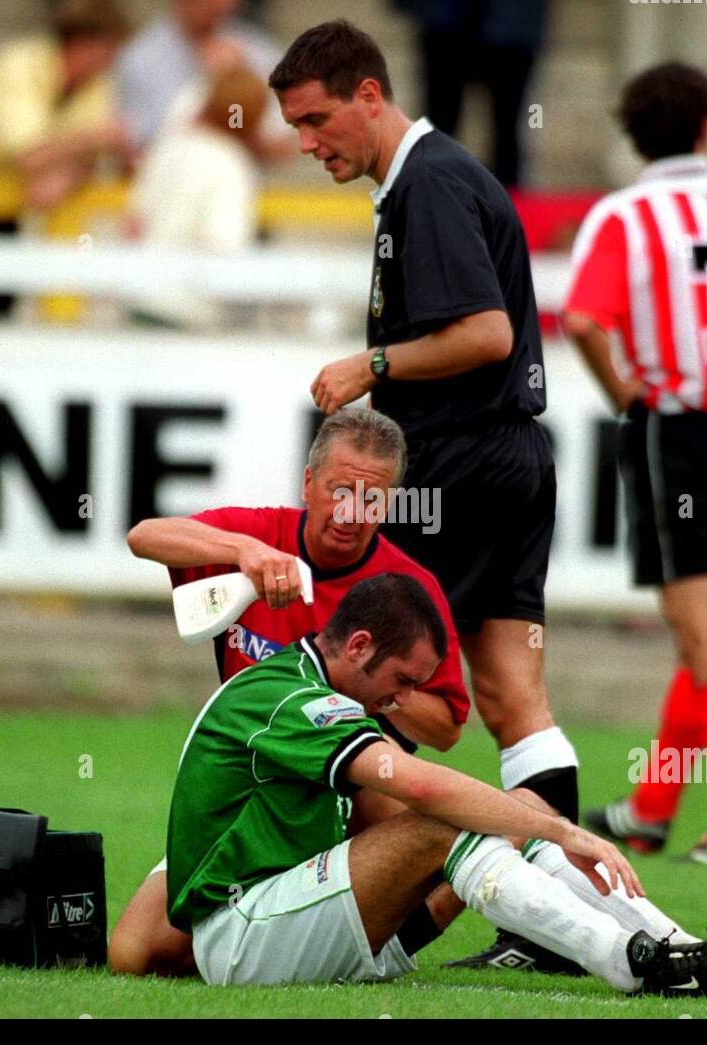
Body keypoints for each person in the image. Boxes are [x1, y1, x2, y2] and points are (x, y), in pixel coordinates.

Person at [268, 19, 583, 973]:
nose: (310, 142)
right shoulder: (427, 180)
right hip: (512, 459)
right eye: (294, 127)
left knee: (369, 664)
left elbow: (486, 332)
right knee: (511, 693)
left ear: (371, 94)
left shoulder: (430, 182)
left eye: (319, 120)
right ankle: (558, 921)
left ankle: (358, 893)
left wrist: (369, 364)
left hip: (460, 466)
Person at [168, 571, 707, 997]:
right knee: (454, 821)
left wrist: (535, 822)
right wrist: (563, 830)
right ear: (359, 643)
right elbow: (421, 789)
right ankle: (636, 962)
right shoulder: (283, 695)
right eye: (403, 679)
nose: (405, 698)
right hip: (243, 937)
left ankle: (679, 948)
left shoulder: (319, 692)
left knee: (520, 806)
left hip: (311, 916)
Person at [108, 408, 471, 976]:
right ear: (308, 483)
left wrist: (367, 689)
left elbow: (448, 726)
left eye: (371, 501)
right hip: (254, 792)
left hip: (348, 793)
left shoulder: (406, 592)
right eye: (339, 491)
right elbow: (142, 536)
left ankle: (436, 894)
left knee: (390, 786)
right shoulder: (257, 539)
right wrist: (240, 552)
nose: (351, 513)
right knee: (133, 956)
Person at [561, 63, 707, 865]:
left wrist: (629, 393)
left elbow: (584, 318)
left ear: (632, 135)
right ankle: (653, 805)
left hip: (681, 429)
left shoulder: (625, 215)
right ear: (705, 126)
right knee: (704, 628)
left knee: (705, 632)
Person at [0, 0, 131, 210]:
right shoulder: (18, 66)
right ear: (82, 43)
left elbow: (86, 159)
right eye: (111, 49)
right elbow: (31, 156)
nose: (115, 60)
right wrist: (96, 140)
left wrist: (68, 175)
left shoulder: (96, 83)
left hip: (2, 209)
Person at [125, 62, 270, 329]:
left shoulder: (166, 147)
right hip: (189, 322)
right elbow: (223, 248)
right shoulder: (231, 164)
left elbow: (133, 226)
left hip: (139, 306)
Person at [391, 0, 547, 187]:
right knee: (438, 129)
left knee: (508, 133)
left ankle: (505, 201)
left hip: (511, 25)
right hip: (447, 20)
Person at [115, 0, 288, 159]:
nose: (220, 5)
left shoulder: (258, 52)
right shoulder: (139, 59)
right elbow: (137, 151)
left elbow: (281, 146)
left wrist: (237, 90)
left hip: (240, 185)